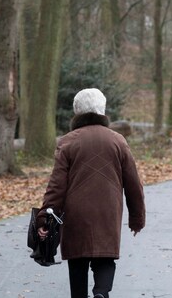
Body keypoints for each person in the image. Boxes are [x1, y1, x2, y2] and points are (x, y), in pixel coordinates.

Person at [38, 88, 145, 298]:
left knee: (78, 261)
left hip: (76, 213)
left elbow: (56, 187)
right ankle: (101, 293)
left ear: (77, 112)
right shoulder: (118, 141)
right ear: (102, 110)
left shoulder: (68, 141)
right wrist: (137, 218)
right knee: (105, 258)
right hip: (108, 211)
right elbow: (134, 184)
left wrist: (45, 216)